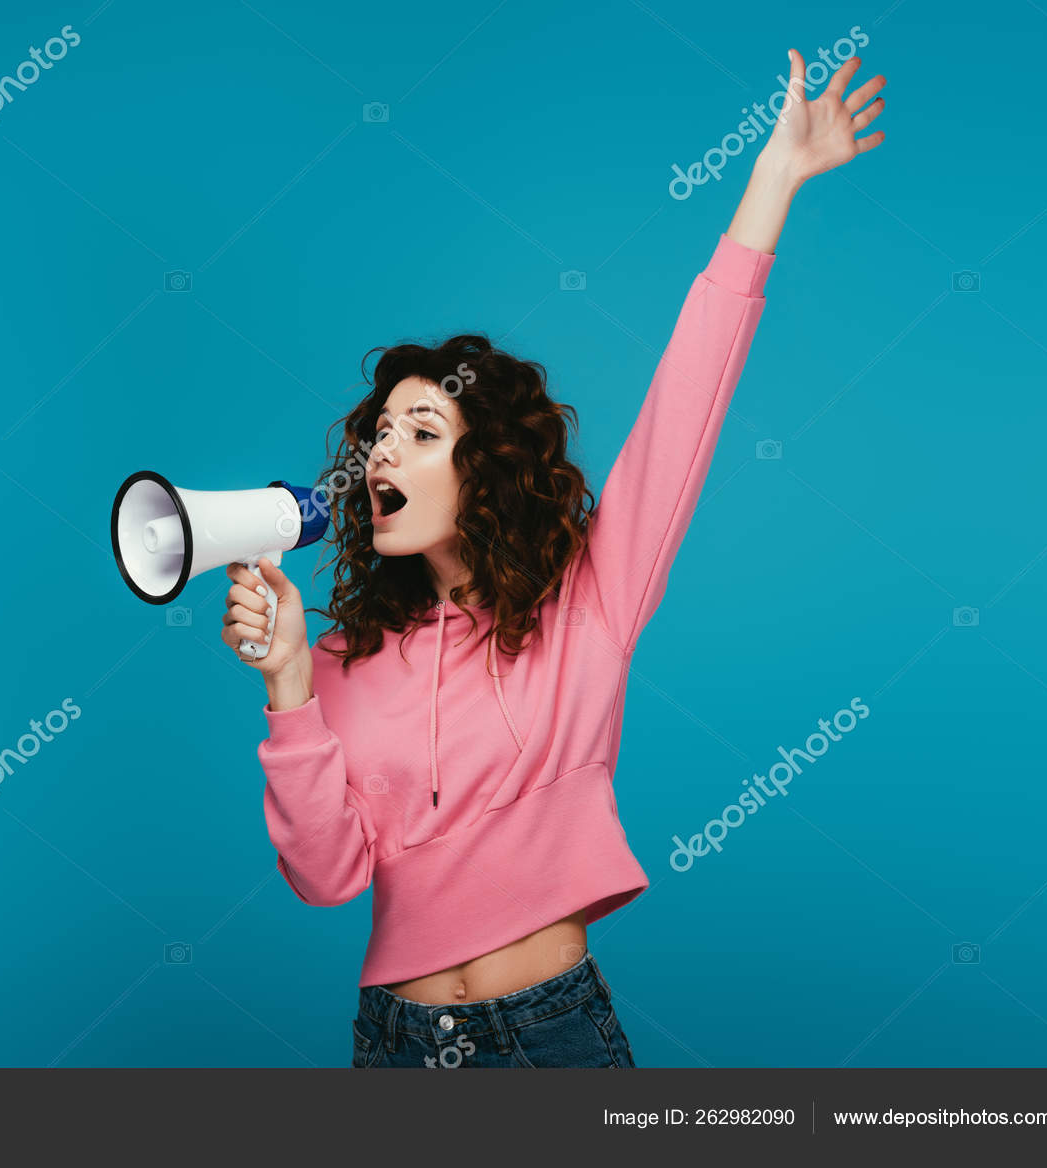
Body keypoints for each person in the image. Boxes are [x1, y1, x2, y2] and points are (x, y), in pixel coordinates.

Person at [221, 50, 886, 1068]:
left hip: (550, 1035)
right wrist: (286, 689)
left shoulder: (594, 597)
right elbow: (326, 877)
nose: (383, 450)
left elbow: (685, 398)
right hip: (394, 1043)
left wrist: (773, 181)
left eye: (421, 430)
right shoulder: (345, 659)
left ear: (483, 469)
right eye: (379, 434)